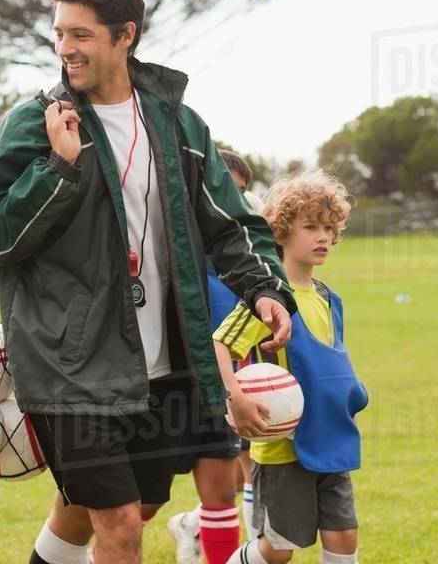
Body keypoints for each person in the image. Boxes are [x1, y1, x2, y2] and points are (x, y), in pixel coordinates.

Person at [0, 0, 296, 564]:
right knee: (118, 523)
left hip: (165, 366)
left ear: (127, 35)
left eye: (81, 34)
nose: (65, 48)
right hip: (70, 363)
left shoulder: (179, 124)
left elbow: (232, 223)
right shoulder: (36, 123)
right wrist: (58, 170)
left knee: (122, 509)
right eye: (60, 33)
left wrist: (266, 289)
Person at [213, 171, 367, 564]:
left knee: (344, 536)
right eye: (311, 226)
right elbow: (219, 344)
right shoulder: (268, 297)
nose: (323, 237)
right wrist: (235, 399)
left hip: (330, 435)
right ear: (280, 232)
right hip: (284, 448)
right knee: (279, 549)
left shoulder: (329, 298)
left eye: (330, 228)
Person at [166, 150, 260, 564]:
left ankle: (196, 530)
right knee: (141, 504)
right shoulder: (166, 244)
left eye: (238, 194)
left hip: (219, 386)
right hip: (162, 388)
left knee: (223, 494)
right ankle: (184, 526)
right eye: (224, 190)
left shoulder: (240, 256)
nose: (229, 203)